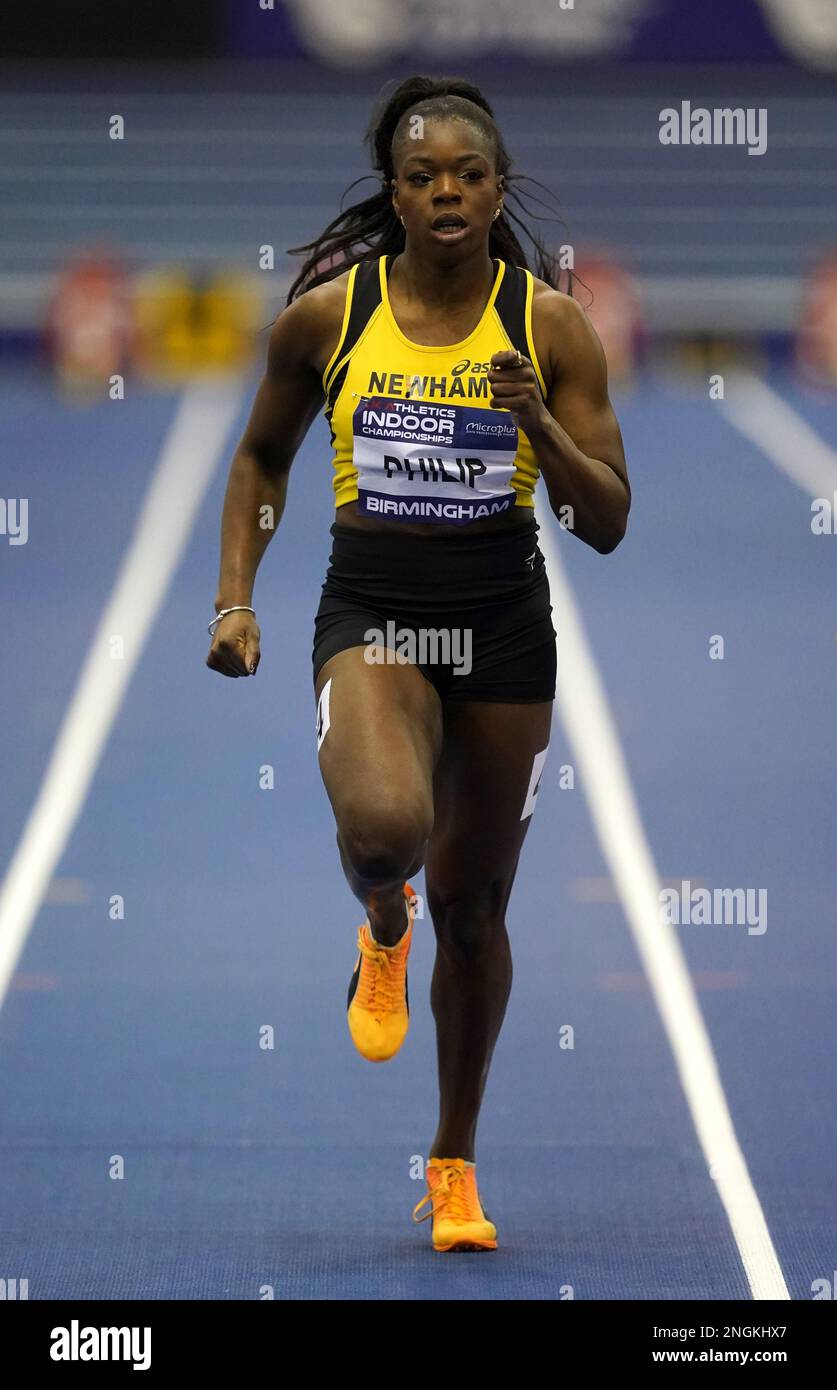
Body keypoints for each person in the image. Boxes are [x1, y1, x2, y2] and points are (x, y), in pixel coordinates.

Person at [207, 75, 630, 1253]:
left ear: (499, 190)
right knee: (388, 829)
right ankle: (379, 925)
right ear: (392, 194)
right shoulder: (328, 318)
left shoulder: (548, 326)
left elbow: (608, 519)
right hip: (376, 615)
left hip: (500, 625)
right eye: (423, 176)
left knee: (480, 912)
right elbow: (256, 459)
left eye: (470, 174)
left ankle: (451, 1162)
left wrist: (540, 428)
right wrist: (234, 601)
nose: (447, 192)